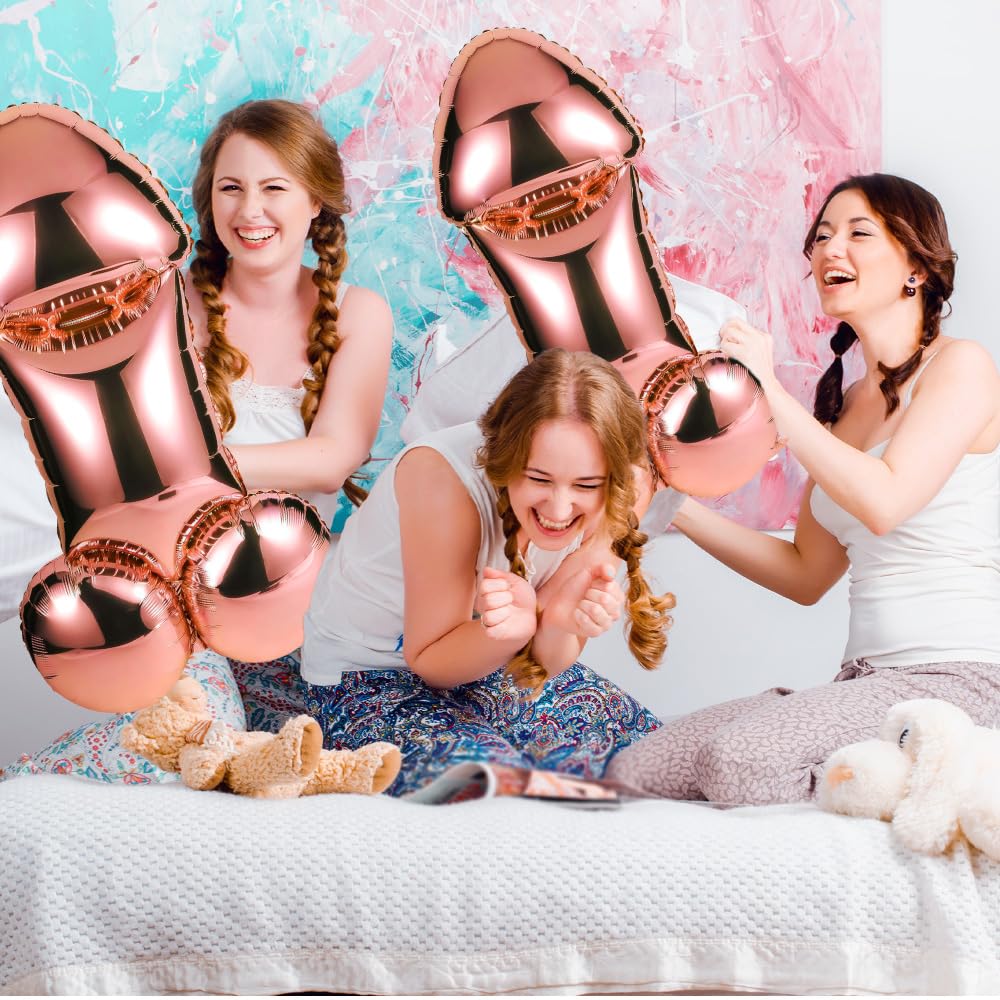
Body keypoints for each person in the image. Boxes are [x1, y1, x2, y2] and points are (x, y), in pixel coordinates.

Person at [606, 173, 1000, 805]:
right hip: (864, 683)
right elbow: (805, 574)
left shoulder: (961, 367)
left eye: (858, 233)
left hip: (959, 682)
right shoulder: (841, 408)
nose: (828, 249)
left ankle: (936, 773)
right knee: (637, 769)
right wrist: (670, 502)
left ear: (917, 268)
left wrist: (768, 389)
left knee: (737, 764)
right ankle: (876, 766)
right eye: (821, 236)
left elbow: (886, 501)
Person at [301, 349, 674, 795]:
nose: (559, 510)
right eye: (538, 479)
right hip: (372, 676)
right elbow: (432, 663)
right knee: (496, 792)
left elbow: (541, 664)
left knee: (660, 765)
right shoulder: (441, 478)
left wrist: (558, 624)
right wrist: (510, 633)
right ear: (505, 456)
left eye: (586, 485)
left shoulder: (628, 486)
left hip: (498, 670)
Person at [185, 98, 393, 731]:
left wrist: (191, 469)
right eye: (231, 188)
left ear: (316, 201)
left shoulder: (359, 314)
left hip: (298, 608)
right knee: (188, 739)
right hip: (185, 599)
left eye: (274, 187)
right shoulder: (174, 305)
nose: (250, 211)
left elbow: (331, 460)